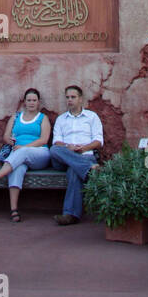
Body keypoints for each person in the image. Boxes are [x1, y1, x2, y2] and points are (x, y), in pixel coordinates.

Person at [0, 88, 51, 222]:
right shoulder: (15, 117)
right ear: (24, 102)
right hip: (17, 156)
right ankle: (14, 209)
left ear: (39, 102)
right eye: (29, 100)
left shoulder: (42, 118)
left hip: (39, 154)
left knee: (22, 152)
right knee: (17, 169)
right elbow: (6, 136)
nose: (31, 103)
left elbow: (44, 139)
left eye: (34, 100)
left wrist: (24, 147)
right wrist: (9, 140)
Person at [49, 85, 103, 226]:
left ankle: (70, 215)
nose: (70, 100)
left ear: (80, 99)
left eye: (73, 97)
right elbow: (57, 141)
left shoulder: (92, 117)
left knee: (74, 170)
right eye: (67, 97)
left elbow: (98, 141)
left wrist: (84, 148)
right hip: (64, 156)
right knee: (54, 149)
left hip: (85, 155)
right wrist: (68, 147)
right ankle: (90, 169)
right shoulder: (61, 119)